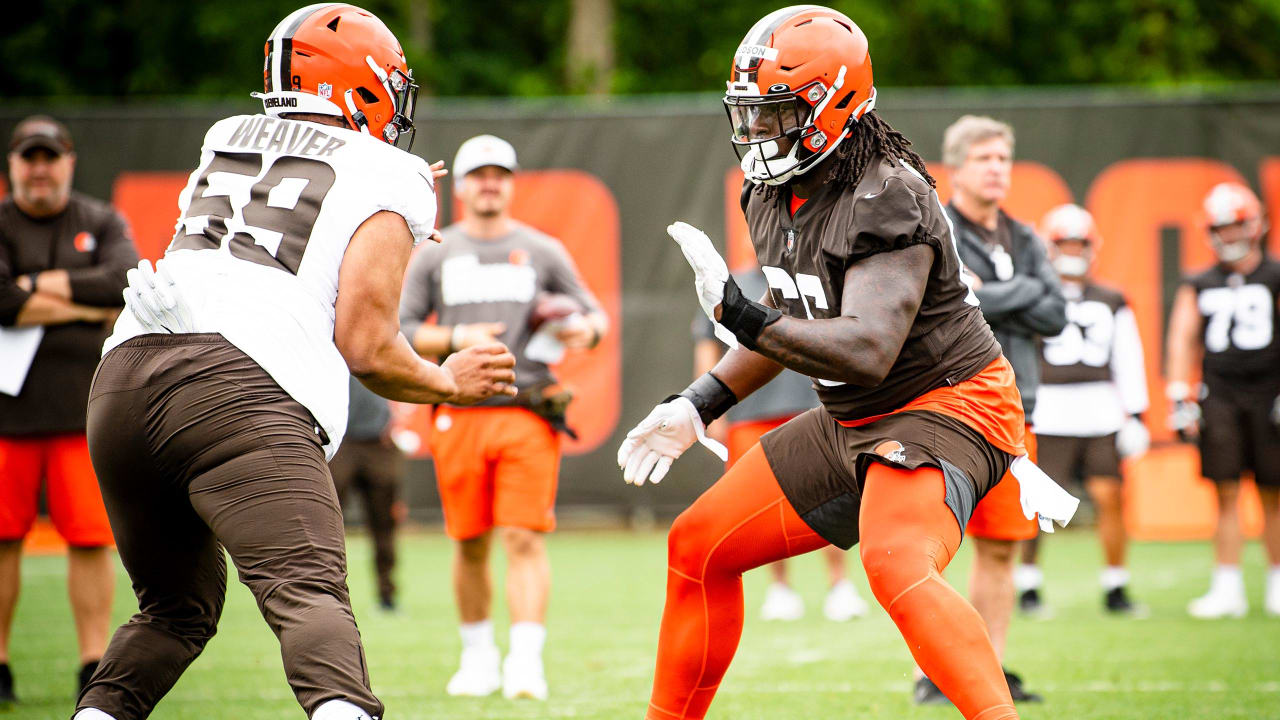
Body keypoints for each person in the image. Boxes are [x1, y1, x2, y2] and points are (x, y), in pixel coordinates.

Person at [617, 8, 1075, 720]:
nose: (760, 131)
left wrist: (743, 314)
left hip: (951, 404)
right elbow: (795, 306)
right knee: (698, 547)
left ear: (833, 107)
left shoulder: (889, 192)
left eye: (779, 112)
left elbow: (866, 347)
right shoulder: (768, 189)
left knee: (895, 564)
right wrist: (697, 404)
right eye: (752, 113)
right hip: (852, 414)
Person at [73, 6, 517, 720]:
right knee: (308, 593)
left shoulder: (225, 137)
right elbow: (368, 345)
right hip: (236, 386)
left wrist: (393, 197)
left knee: (173, 610)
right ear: (362, 87)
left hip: (122, 377)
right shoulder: (392, 170)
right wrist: (446, 381)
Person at [399, 134, 608, 701]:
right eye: (479, 175)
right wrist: (455, 336)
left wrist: (579, 331)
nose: (489, 184)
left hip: (526, 408)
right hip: (459, 409)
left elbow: (595, 318)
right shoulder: (436, 252)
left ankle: (525, 661)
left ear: (511, 183)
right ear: (462, 186)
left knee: (522, 537)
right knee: (469, 541)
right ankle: (477, 658)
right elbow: (402, 328)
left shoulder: (542, 249)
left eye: (499, 174)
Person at [912, 115, 1068, 705]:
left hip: (1012, 407)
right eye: (985, 158)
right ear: (956, 168)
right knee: (928, 547)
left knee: (1002, 546)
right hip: (944, 404)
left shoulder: (1024, 236)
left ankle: (989, 670)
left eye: (1004, 157)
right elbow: (956, 300)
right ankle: (936, 671)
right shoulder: (936, 227)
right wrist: (1021, 293)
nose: (998, 168)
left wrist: (1003, 294)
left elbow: (1055, 312)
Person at [0, 115, 138, 702]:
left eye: (48, 157)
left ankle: (92, 662)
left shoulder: (100, 219)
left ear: (69, 162)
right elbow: (3, 304)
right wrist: (85, 307)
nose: (39, 169)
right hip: (6, 416)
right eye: (28, 158)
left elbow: (125, 282)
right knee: (3, 538)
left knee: (89, 539)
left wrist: (37, 286)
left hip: (84, 412)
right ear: (12, 165)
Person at [692, 276, 867, 623]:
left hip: (811, 405)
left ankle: (840, 585)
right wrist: (707, 407)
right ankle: (781, 589)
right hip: (749, 412)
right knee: (761, 508)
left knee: (830, 495)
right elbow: (706, 344)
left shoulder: (814, 273)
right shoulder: (734, 281)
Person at [1020, 204, 1150, 615]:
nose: (1073, 251)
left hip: (1099, 409)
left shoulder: (1110, 298)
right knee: (1037, 505)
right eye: (1064, 243)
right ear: (1050, 247)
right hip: (1050, 409)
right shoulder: (1034, 295)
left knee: (1109, 495)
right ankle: (1028, 585)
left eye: (1079, 243)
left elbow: (1128, 356)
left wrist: (1137, 413)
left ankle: (1115, 586)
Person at [1167, 181, 1280, 619]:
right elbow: (1183, 339)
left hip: (1270, 393)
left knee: (1273, 492)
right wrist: (1180, 395)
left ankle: (1275, 583)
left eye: (1235, 226)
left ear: (1254, 225)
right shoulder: (1199, 281)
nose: (1229, 236)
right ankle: (1228, 586)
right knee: (1226, 493)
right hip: (1221, 395)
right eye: (1221, 228)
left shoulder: (1274, 275)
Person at [329, 376, 405, 612]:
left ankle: (387, 596)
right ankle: (326, 595)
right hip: (341, 440)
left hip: (378, 441)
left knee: (385, 525)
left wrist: (394, 420)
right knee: (326, 524)